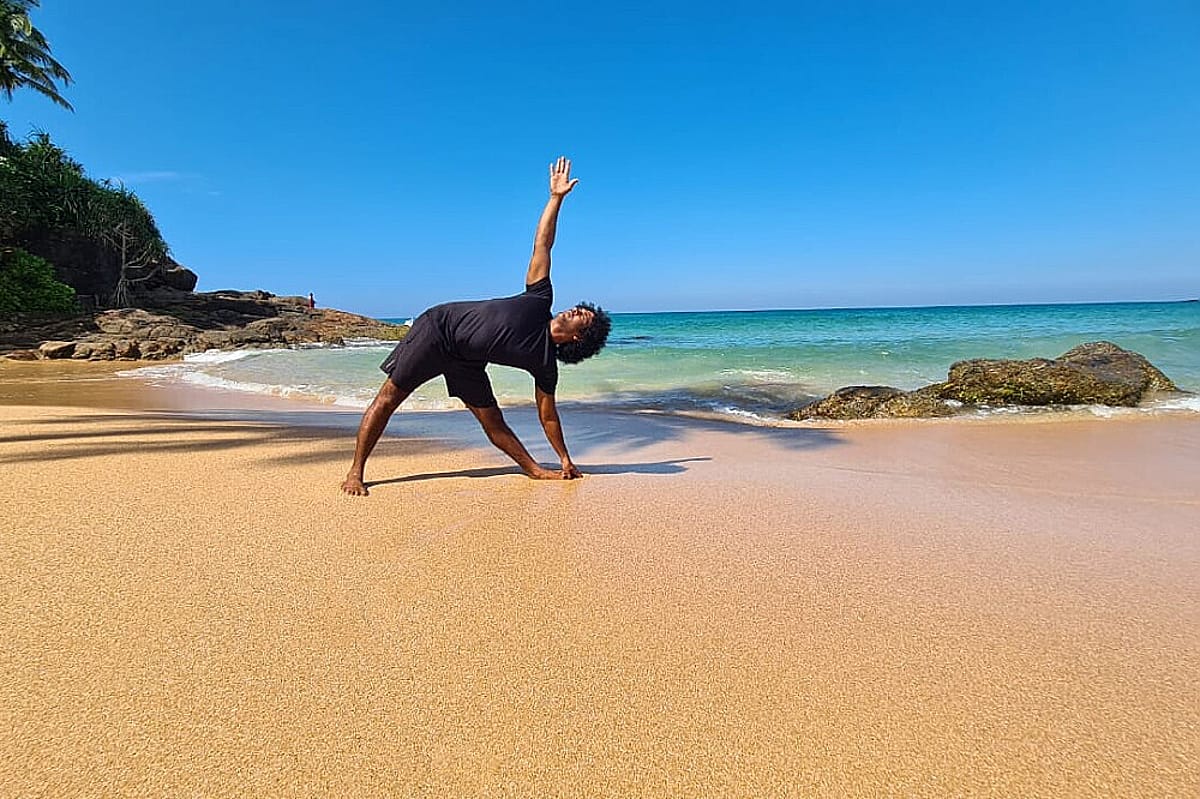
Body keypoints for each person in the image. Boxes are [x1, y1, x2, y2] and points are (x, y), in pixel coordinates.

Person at [340, 157, 611, 496]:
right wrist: (556, 199)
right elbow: (543, 245)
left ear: (576, 338)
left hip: (466, 361)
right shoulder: (540, 299)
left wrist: (565, 458)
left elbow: (549, 416)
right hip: (437, 331)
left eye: (579, 316)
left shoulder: (545, 365)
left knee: (492, 420)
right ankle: (355, 472)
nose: (573, 310)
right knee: (389, 399)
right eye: (577, 309)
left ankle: (534, 470)